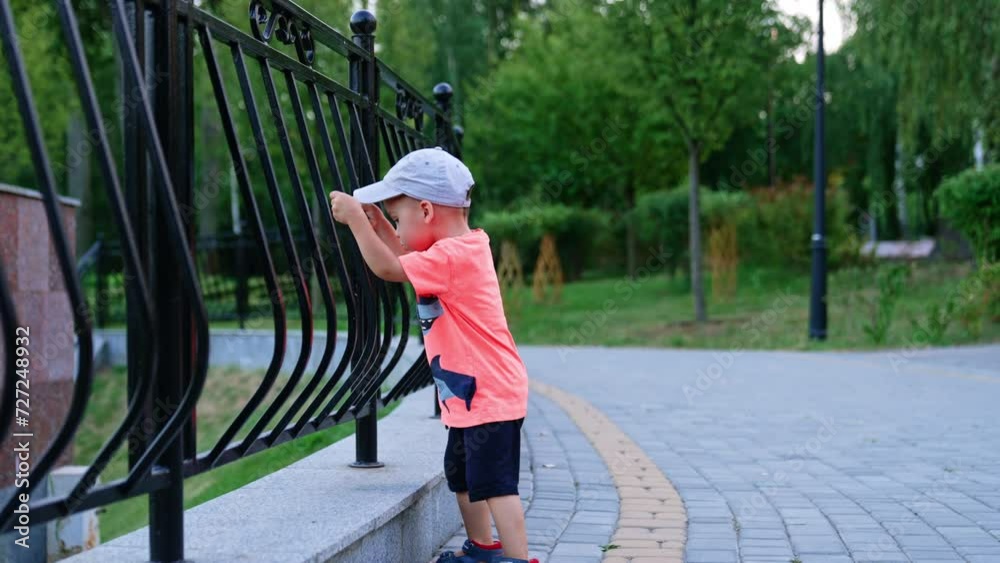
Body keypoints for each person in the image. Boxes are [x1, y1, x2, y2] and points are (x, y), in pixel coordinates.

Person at [329, 147, 537, 563]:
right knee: (462, 476)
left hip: (490, 395)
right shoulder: (453, 251)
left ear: (425, 210)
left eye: (399, 219)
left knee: (495, 484)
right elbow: (406, 256)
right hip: (470, 397)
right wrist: (382, 227)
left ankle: (519, 559)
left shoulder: (454, 256)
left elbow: (389, 269)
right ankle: (483, 549)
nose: (397, 229)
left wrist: (357, 222)